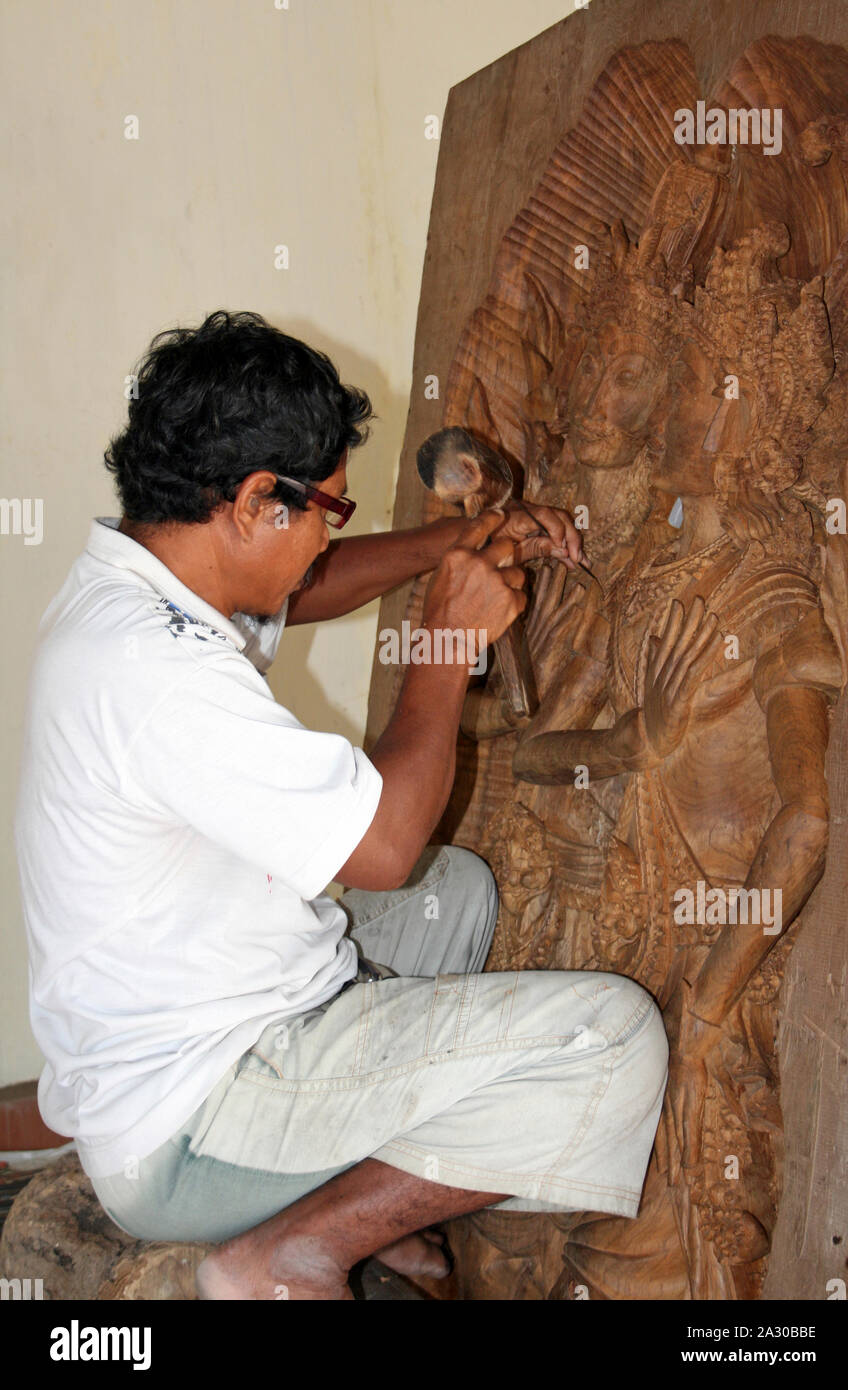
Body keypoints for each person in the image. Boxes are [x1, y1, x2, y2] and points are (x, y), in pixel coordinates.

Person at [15, 310, 668, 1300]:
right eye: (327, 506)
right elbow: (384, 844)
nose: (332, 531)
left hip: (185, 1024)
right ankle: (295, 1248)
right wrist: (446, 641)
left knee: (459, 892)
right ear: (248, 504)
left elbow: (301, 590)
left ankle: (345, 1188)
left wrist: (459, 540)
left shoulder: (137, 583)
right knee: (609, 1037)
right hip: (199, 1117)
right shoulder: (159, 673)